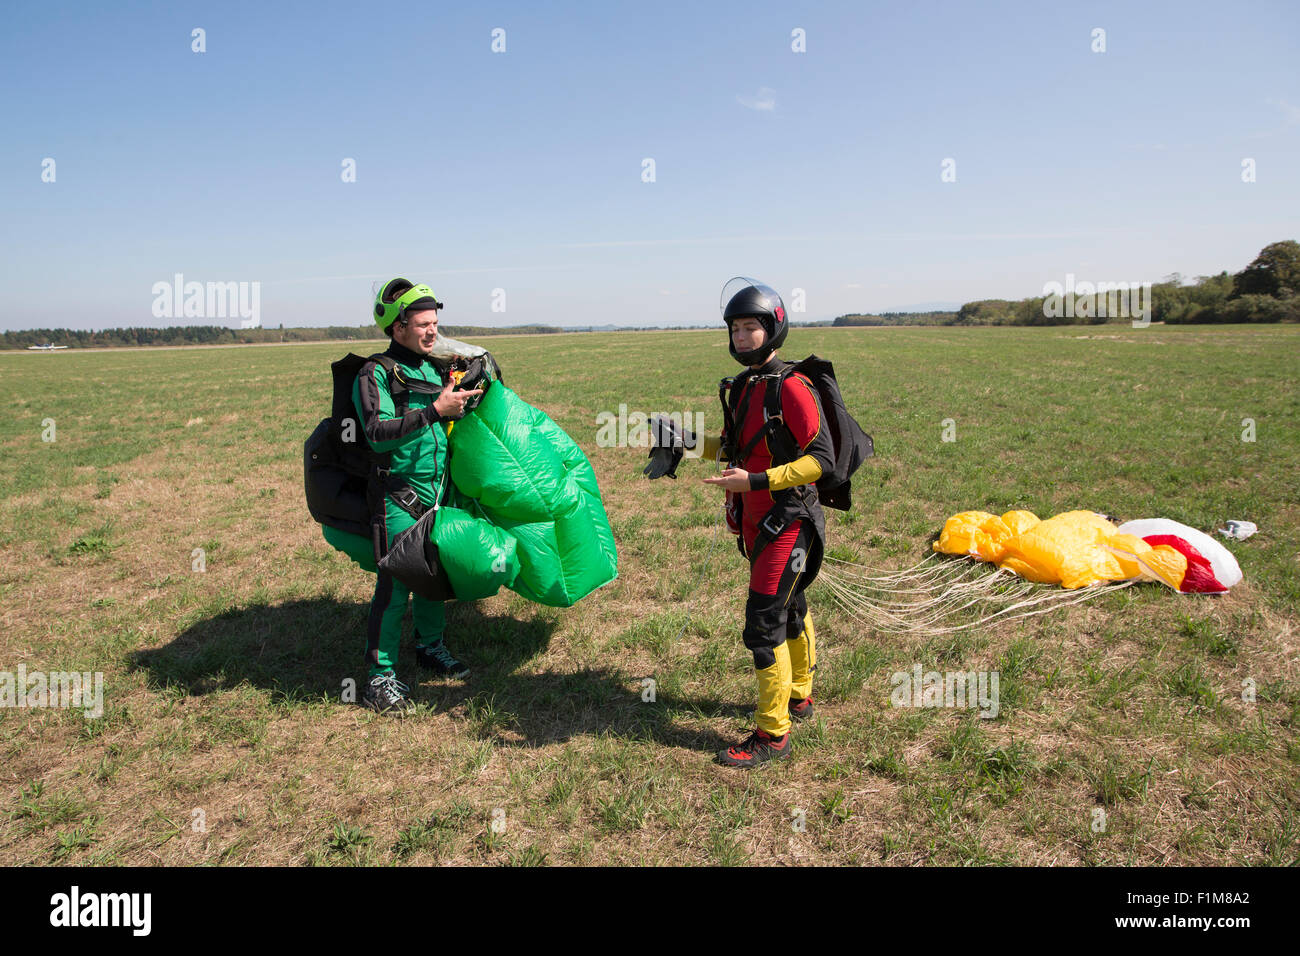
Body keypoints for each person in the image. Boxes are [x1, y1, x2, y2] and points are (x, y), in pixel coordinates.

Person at [656, 279, 834, 767]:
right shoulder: (741, 388)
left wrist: (756, 483)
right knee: (790, 606)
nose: (741, 336)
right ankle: (800, 696)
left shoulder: (793, 387)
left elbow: (822, 461)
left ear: (774, 328)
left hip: (789, 519)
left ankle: (773, 735)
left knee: (763, 627)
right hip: (759, 521)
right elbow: (735, 451)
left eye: (751, 327)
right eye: (735, 328)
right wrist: (684, 441)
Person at [353, 278, 483, 713]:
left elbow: (448, 419)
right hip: (398, 495)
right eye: (423, 325)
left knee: (432, 578)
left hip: (437, 493)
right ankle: (378, 679)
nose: (432, 332)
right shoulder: (376, 373)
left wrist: (465, 398)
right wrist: (434, 411)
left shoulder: (435, 368)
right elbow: (374, 435)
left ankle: (429, 647)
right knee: (394, 587)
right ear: (397, 328)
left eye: (435, 324)